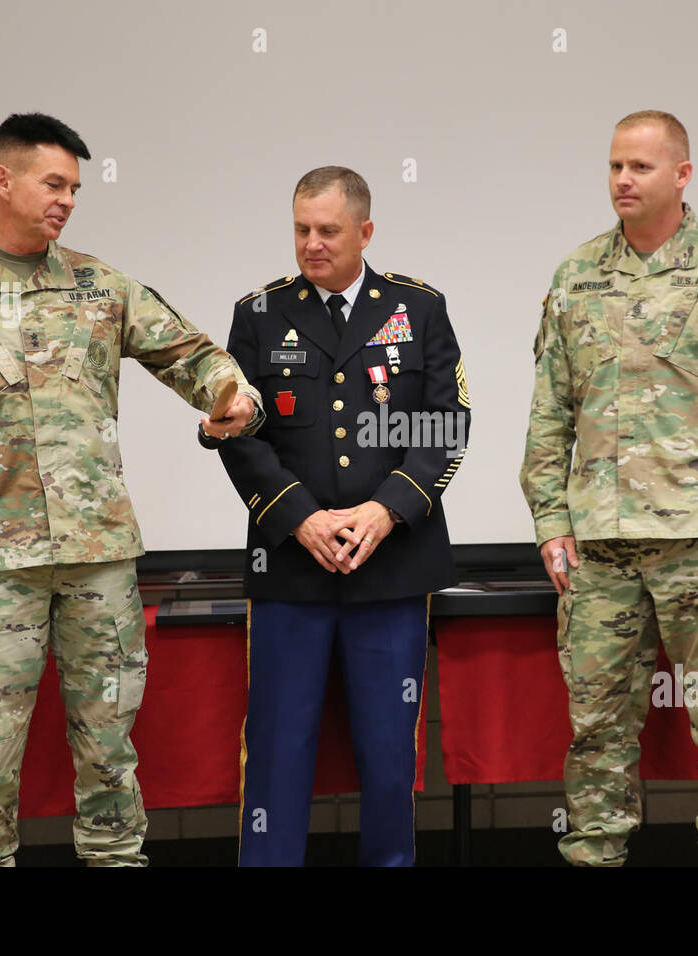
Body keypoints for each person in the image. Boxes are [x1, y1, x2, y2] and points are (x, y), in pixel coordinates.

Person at [0, 112, 262, 866]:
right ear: (3, 180)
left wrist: (229, 392)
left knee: (110, 744)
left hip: (99, 558)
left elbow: (190, 353)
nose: (68, 200)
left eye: (75, 188)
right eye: (54, 183)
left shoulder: (100, 285)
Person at [519, 110, 698, 867]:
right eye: (615, 165)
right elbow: (550, 410)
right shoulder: (576, 276)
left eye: (641, 167)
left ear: (683, 175)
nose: (623, 180)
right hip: (599, 553)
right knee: (598, 732)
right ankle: (594, 856)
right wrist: (552, 520)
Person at [203, 166, 470, 866]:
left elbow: (447, 426)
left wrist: (387, 512)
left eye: (327, 230)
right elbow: (239, 433)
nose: (312, 244)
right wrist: (300, 518)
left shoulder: (420, 307)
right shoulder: (259, 314)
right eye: (300, 230)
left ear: (365, 231)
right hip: (292, 569)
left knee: (389, 759)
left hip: (391, 570)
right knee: (277, 753)